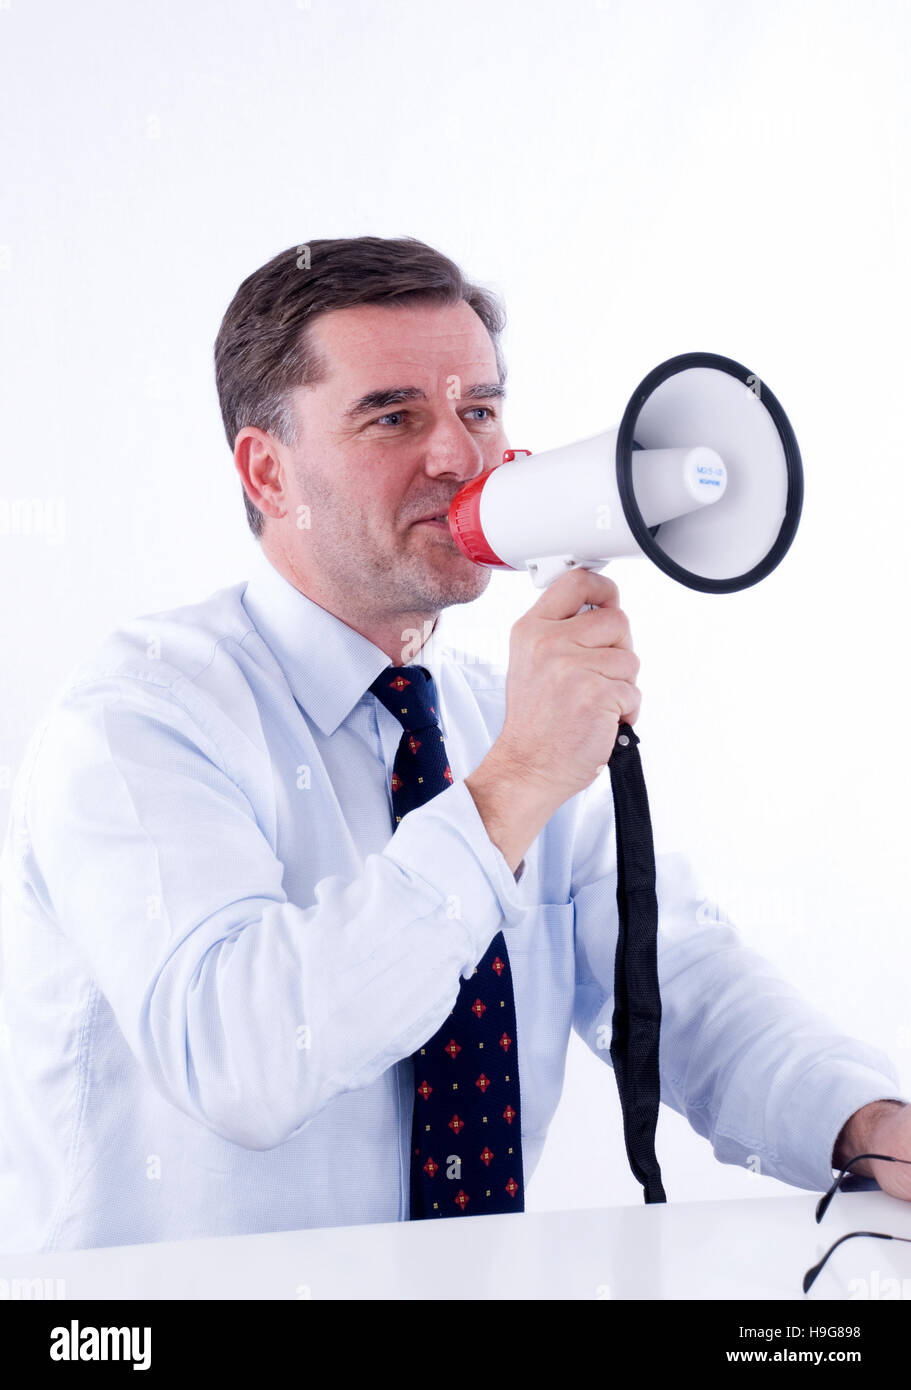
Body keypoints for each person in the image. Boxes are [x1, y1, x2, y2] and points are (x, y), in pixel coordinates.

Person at [0, 236, 907, 1255]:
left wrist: (865, 1123)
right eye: (394, 415)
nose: (460, 456)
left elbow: (681, 984)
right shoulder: (139, 721)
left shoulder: (495, 721)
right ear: (267, 470)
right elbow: (238, 1055)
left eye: (478, 408)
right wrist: (511, 786)